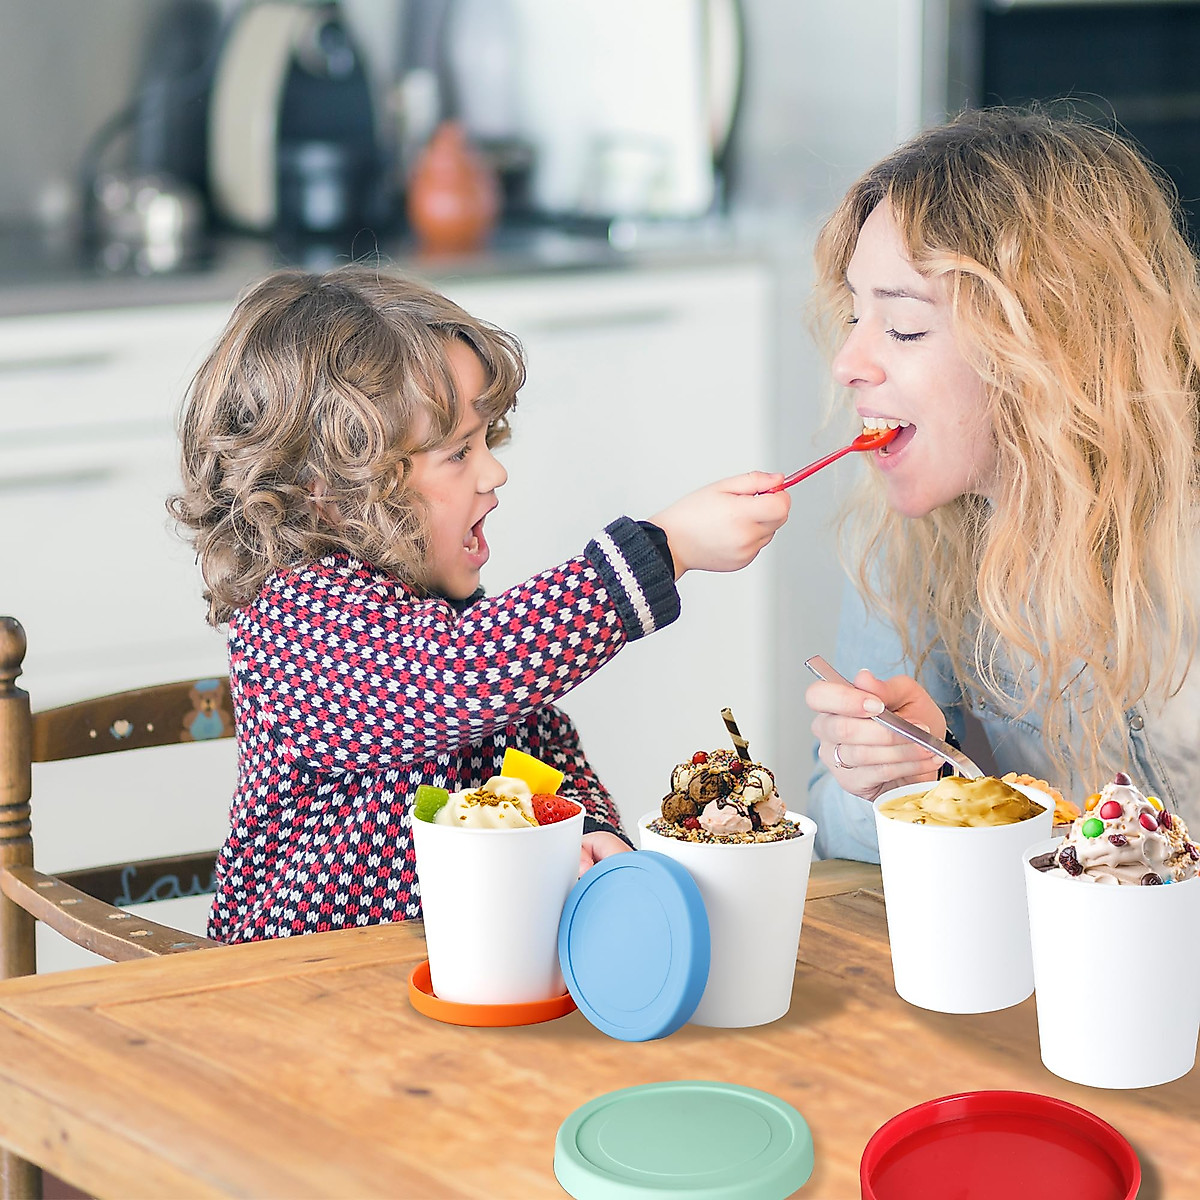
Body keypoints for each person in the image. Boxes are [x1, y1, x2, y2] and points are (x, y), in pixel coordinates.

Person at [170, 266, 790, 942]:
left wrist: (586, 829)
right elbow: (456, 677)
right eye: (458, 453)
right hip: (298, 992)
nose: (494, 472)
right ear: (334, 492)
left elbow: (540, 756)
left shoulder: (449, 620)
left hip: (462, 976)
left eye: (486, 442)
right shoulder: (298, 621)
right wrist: (660, 551)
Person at [803, 106, 1200, 862]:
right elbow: (829, 824)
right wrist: (916, 783)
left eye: (905, 326)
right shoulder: (903, 547)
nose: (847, 362)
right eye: (854, 316)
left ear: (1050, 338)